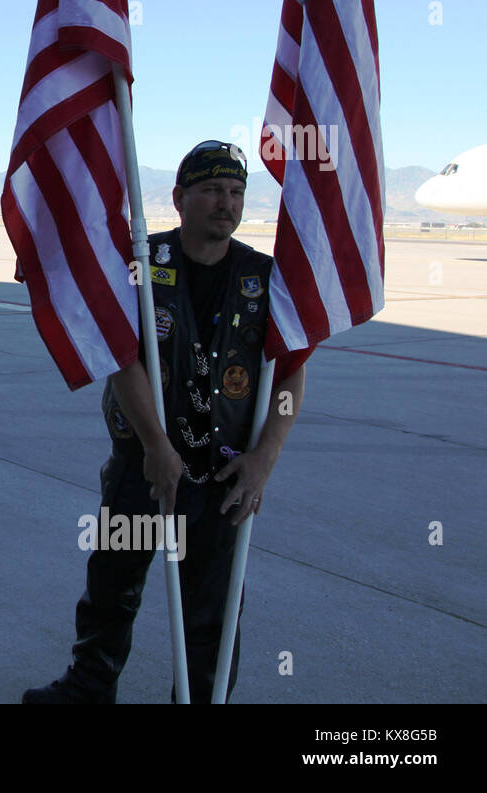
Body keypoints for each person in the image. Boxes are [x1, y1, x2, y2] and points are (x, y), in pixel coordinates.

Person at [22, 140, 308, 705]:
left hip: (227, 475)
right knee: (112, 586)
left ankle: (200, 699)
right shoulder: (140, 268)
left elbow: (290, 376)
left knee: (215, 605)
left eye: (234, 193)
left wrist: (264, 460)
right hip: (145, 466)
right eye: (210, 191)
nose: (225, 204)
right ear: (179, 199)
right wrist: (155, 444)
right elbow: (122, 359)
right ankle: (89, 687)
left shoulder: (265, 279)